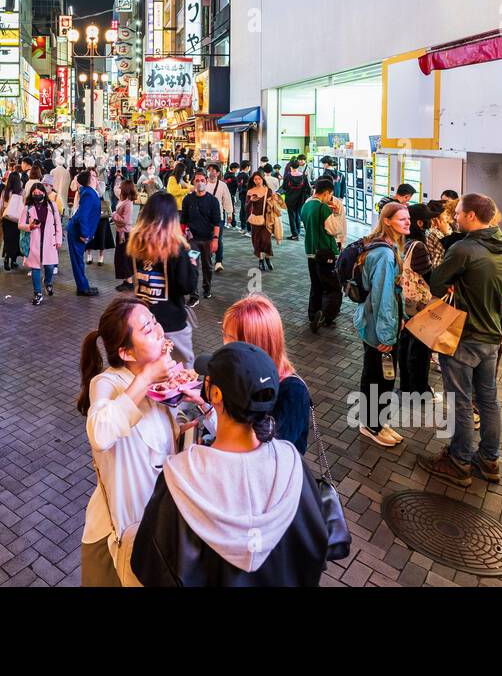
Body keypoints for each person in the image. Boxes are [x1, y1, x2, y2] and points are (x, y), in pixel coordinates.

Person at [130, 342, 330, 587]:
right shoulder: (292, 465)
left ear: (215, 394)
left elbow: (151, 566)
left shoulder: (179, 478)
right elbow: (315, 548)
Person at [78, 298, 186, 586]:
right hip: (117, 539)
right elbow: (100, 433)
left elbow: (168, 447)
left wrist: (196, 406)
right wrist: (149, 375)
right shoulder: (108, 383)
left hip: (158, 535)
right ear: (126, 352)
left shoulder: (163, 384)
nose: (159, 330)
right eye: (147, 328)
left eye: (154, 320)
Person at [418, 193, 502, 488]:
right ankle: (489, 459)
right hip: (493, 337)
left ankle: (459, 462)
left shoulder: (464, 249)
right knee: (488, 400)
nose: (454, 217)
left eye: (458, 213)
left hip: (463, 336)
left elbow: (436, 283)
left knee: (459, 402)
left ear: (472, 216)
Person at [223, 295, 309, 456]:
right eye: (224, 335)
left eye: (232, 339)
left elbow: (269, 454)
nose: (225, 345)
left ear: (256, 344)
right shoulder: (242, 374)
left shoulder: (292, 392)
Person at [353, 202, 408, 448]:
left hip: (374, 322)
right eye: (401, 219)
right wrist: (386, 335)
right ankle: (372, 425)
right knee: (381, 376)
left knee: (376, 374)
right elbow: (383, 297)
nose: (407, 222)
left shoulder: (383, 245)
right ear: (387, 221)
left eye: (407, 218)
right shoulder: (385, 254)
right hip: (379, 326)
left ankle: (375, 421)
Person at [126, 192, 198, 366]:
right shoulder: (176, 248)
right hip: (173, 323)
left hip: (144, 321)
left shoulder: (136, 243)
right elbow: (187, 286)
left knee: (149, 370)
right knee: (182, 370)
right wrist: (192, 264)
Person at [398, 204, 437, 400]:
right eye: (429, 219)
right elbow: (429, 276)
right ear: (420, 223)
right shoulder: (418, 246)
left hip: (405, 303)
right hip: (419, 304)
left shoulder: (402, 240)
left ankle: (406, 386)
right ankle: (420, 389)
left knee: (405, 344)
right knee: (420, 349)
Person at [300, 177, 343, 332]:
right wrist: (336, 214)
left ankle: (313, 313)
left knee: (316, 285)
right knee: (333, 288)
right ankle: (326, 316)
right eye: (330, 195)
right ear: (326, 193)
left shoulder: (306, 205)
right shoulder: (323, 208)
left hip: (310, 252)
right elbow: (334, 230)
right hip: (325, 253)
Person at [180, 171, 222, 301]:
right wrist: (181, 237)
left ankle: (207, 289)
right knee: (193, 266)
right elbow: (183, 220)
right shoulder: (188, 199)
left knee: (207, 266)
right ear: (193, 182)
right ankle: (194, 295)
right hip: (193, 240)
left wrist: (215, 240)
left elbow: (217, 223)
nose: (200, 183)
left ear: (206, 182)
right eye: (197, 180)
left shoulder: (213, 201)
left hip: (208, 239)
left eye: (202, 180)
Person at [21, 182, 62, 305]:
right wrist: (30, 226)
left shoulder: (52, 205)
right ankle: (37, 293)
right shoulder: (27, 208)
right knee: (35, 268)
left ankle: (48, 282)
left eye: (40, 193)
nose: (37, 196)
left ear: (44, 193)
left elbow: (58, 224)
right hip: (34, 242)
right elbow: (20, 224)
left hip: (49, 241)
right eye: (35, 194)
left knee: (49, 267)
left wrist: (58, 240)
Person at [67, 170, 102, 297]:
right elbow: (83, 216)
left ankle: (83, 286)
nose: (95, 177)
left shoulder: (90, 192)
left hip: (77, 230)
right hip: (77, 232)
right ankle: (82, 288)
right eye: (93, 176)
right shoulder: (88, 193)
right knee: (78, 261)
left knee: (79, 261)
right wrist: (85, 234)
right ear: (89, 180)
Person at [206, 164, 235, 272]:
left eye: (214, 171)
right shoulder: (203, 183)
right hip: (204, 217)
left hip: (219, 216)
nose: (211, 172)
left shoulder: (222, 185)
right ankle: (208, 259)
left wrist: (230, 213)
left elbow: (227, 200)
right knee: (206, 239)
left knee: (218, 238)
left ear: (218, 173)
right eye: (209, 170)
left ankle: (218, 261)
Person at [245, 171, 275, 271]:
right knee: (257, 241)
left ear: (263, 179)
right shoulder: (250, 191)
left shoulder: (268, 191)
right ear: (253, 181)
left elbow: (272, 205)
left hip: (267, 219)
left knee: (266, 240)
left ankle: (267, 258)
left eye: (259, 179)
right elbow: (246, 207)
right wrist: (251, 201)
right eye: (255, 179)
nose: (258, 181)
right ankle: (261, 260)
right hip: (255, 219)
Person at [112, 180, 138, 293]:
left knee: (124, 258)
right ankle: (126, 281)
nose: (119, 188)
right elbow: (115, 190)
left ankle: (129, 283)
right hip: (121, 232)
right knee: (121, 258)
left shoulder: (127, 203)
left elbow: (125, 221)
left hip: (124, 233)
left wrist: (114, 215)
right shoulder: (123, 199)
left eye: (121, 186)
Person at [85, 171, 115, 266]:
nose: (93, 177)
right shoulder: (87, 185)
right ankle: (89, 255)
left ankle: (101, 256)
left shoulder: (101, 183)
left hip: (102, 213)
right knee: (90, 234)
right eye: (91, 175)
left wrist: (96, 184)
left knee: (102, 234)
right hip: (90, 212)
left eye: (94, 175)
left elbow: (100, 193)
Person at [0, 170, 25, 271]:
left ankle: (6, 258)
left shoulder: (5, 191)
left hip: (6, 218)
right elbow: (24, 206)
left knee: (7, 239)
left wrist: (1, 216)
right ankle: (13, 261)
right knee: (16, 240)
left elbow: (1, 205)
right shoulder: (22, 192)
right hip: (17, 219)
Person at [281, 156, 309, 240]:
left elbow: (284, 187)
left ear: (290, 167)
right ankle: (298, 232)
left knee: (291, 216)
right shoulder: (303, 176)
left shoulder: (288, 176)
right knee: (297, 214)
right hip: (300, 199)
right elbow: (308, 188)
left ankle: (294, 234)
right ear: (298, 166)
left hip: (290, 199)